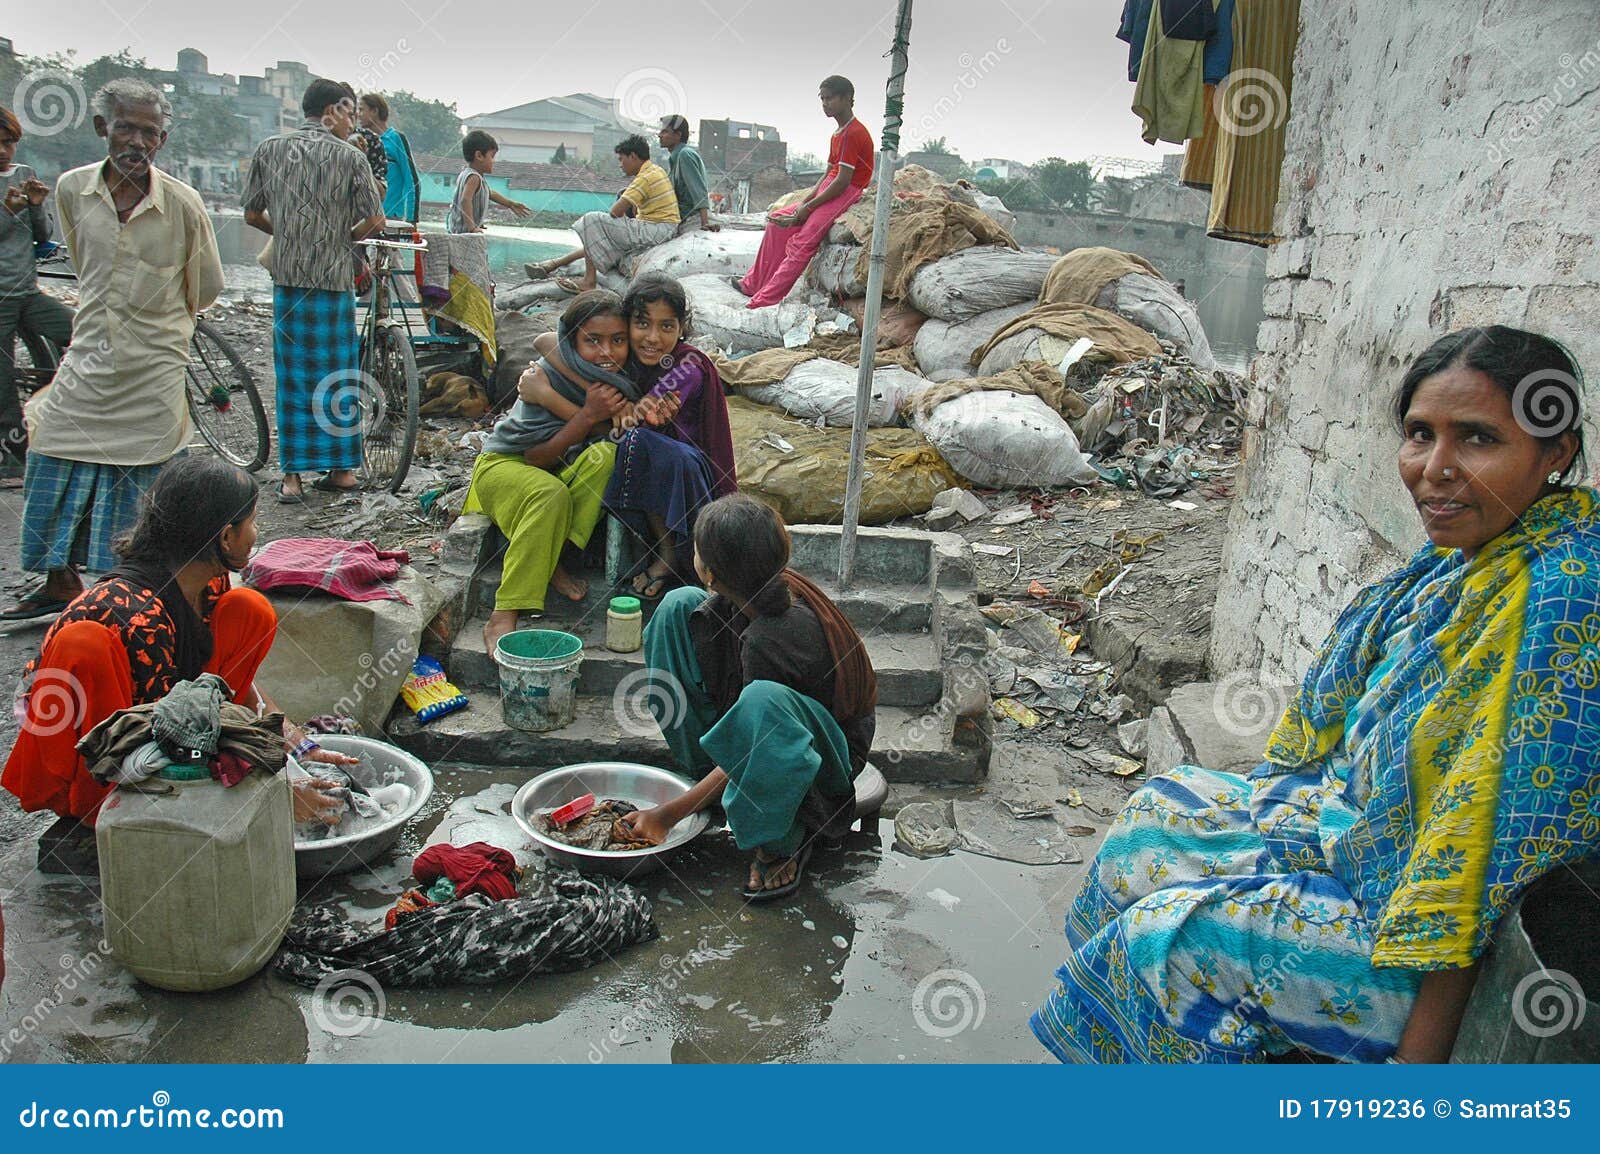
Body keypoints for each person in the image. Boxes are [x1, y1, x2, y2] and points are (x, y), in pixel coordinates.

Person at [1032, 325, 1600, 1064]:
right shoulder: (1468, 563)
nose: (1437, 468)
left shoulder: (1561, 607)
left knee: (1171, 941)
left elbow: (1479, 853)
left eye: (1479, 439)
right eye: (1420, 434)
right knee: (1152, 823)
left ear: (1554, 452)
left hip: (1435, 949)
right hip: (1370, 851)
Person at [2, 455, 360, 875]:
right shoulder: (134, 620)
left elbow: (217, 695)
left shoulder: (207, 581)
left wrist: (294, 743)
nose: (256, 534)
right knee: (87, 644)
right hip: (104, 753)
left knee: (249, 609)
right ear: (225, 537)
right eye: (252, 523)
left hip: (163, 720)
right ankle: (104, 811)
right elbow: (168, 739)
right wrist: (275, 793)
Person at [4, 80, 222, 622]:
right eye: (126, 126)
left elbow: (207, 288)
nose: (136, 141)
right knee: (50, 448)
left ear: (162, 140)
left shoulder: (184, 204)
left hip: (153, 365)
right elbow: (86, 264)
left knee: (144, 478)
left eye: (149, 132)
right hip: (90, 355)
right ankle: (59, 582)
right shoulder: (72, 190)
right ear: (103, 127)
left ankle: (124, 590)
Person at [619, 495, 877, 901]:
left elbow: (760, 738)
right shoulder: (756, 590)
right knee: (675, 608)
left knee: (761, 703)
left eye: (698, 551)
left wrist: (668, 814)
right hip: (772, 724)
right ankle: (708, 777)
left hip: (826, 756)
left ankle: (780, 838)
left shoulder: (772, 639)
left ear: (711, 574)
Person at [527, 273, 736, 598]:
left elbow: (636, 420)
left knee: (636, 442)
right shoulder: (622, 357)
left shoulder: (687, 366)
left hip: (688, 471)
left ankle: (671, 556)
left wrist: (567, 399)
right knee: (628, 445)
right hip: (641, 462)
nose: (652, 337)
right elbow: (543, 340)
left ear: (681, 328)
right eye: (642, 324)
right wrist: (597, 392)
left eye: (667, 326)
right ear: (627, 324)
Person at [464, 290, 636, 650]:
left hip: (556, 468)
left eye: (618, 340)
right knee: (548, 492)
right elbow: (536, 458)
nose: (606, 352)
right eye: (593, 341)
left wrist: (600, 417)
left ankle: (550, 557)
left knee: (606, 456)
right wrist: (588, 414)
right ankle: (504, 611)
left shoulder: (613, 382)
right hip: (505, 465)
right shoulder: (549, 377)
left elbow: (607, 434)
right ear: (571, 341)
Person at [244, 78, 385, 503]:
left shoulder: (269, 149)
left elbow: (252, 214)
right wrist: (343, 239)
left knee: (293, 377)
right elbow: (375, 222)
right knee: (336, 375)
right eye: (348, 112)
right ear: (333, 112)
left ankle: (293, 477)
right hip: (333, 280)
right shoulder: (350, 157)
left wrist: (286, 235)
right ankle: (342, 469)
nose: (352, 121)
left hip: (289, 282)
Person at [734, 76, 872, 310]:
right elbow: (829, 172)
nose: (825, 104)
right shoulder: (838, 133)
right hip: (831, 184)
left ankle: (763, 301)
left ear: (847, 98)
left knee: (802, 242)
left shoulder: (854, 133)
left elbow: (842, 181)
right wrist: (805, 202)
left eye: (829, 98)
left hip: (847, 190)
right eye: (822, 99)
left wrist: (808, 209)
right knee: (777, 223)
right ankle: (753, 284)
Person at [0, 104, 74, 480]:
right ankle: (13, 459)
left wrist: (35, 205)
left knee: (82, 333)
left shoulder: (23, 174)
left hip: (26, 291)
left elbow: (40, 235)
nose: (3, 151)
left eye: (9, 143)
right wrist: (8, 212)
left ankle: (65, 418)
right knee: (2, 381)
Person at [525, 135, 679, 292]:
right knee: (598, 235)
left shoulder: (645, 177)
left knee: (591, 220)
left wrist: (625, 205)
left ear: (632, 156)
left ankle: (588, 281)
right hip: (661, 228)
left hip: (657, 230)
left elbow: (615, 212)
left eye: (621, 159)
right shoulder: (655, 170)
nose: (620, 165)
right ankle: (553, 264)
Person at [448, 130, 533, 233]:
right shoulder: (474, 177)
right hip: (464, 235)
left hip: (461, 231)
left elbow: (490, 193)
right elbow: (465, 200)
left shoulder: (467, 174)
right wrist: (472, 228)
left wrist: (510, 204)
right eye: (492, 157)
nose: (494, 161)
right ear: (479, 156)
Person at [359, 92, 420, 224]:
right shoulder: (361, 141)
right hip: (365, 217)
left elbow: (412, 180)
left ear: (374, 111)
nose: (358, 114)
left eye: (362, 110)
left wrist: (411, 220)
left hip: (390, 217)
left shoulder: (396, 139)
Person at [658, 115, 717, 235]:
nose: (660, 135)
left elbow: (698, 190)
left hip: (686, 216)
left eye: (665, 132)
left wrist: (704, 223)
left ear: (678, 135)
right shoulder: (676, 157)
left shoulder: (685, 155)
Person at [342, 84, 387, 202]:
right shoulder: (315, 142)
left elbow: (380, 194)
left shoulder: (371, 141)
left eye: (350, 114)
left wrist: (360, 159)